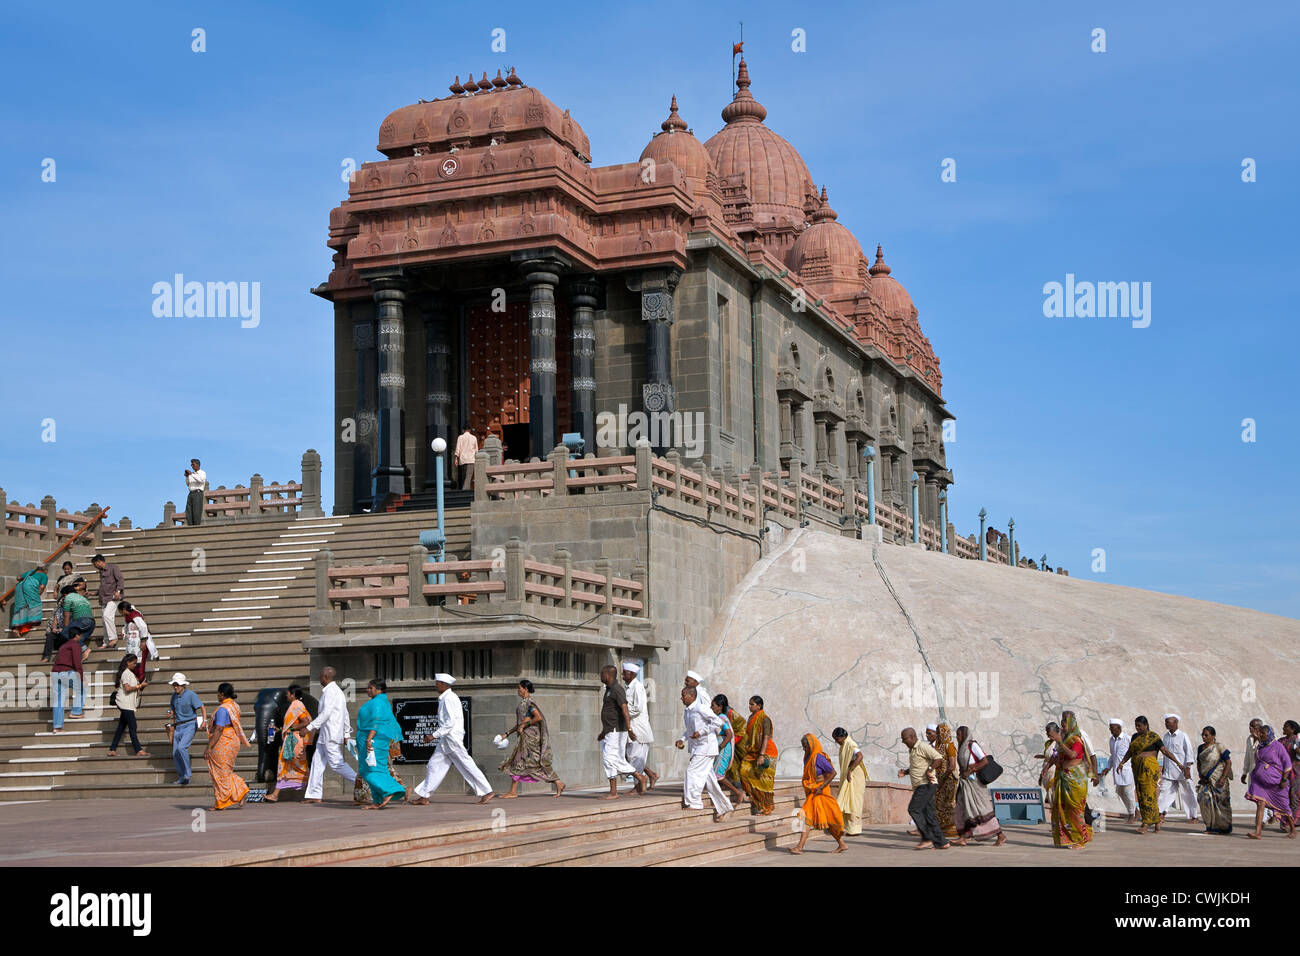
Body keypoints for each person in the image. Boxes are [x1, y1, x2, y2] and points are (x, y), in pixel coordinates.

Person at [410, 673, 495, 804]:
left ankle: (487, 791)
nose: (436, 685)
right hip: (446, 739)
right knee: (433, 765)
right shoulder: (447, 697)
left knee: (466, 764)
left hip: (451, 738)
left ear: (443, 684)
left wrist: (434, 735)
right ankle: (424, 796)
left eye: (437, 682)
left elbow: (450, 722)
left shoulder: (449, 698)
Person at [1117, 716, 1184, 833]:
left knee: (1149, 795)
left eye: (1139, 726)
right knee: (1141, 795)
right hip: (1137, 768)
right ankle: (1156, 821)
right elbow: (1130, 752)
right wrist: (1122, 763)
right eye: (1136, 725)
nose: (1137, 728)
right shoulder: (1135, 737)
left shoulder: (1154, 737)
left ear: (1146, 725)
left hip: (1149, 769)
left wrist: (1178, 763)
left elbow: (1165, 751)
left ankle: (1146, 823)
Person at [675, 686, 733, 820]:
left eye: (683, 695)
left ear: (691, 696)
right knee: (709, 779)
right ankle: (724, 807)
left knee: (691, 772)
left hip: (706, 747)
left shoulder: (701, 708)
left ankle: (695, 802)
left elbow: (717, 722)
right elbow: (689, 730)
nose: (681, 698)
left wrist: (701, 732)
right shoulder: (687, 711)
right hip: (697, 748)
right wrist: (682, 739)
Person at [499, 678, 564, 797]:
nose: (518, 690)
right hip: (524, 740)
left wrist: (525, 725)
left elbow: (538, 717)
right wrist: (507, 733)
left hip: (531, 740)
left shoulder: (530, 704)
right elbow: (519, 723)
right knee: (517, 763)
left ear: (526, 689)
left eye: (519, 688)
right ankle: (513, 791)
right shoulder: (523, 703)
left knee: (536, 764)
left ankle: (558, 782)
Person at [304, 666, 357, 802]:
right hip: (325, 734)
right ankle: (314, 795)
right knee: (317, 763)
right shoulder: (334, 691)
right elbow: (345, 713)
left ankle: (362, 783)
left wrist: (309, 727)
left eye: (321, 676)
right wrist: (346, 732)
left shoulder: (331, 692)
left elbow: (326, 713)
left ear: (326, 678)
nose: (319, 678)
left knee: (336, 764)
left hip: (331, 734)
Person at [791, 733, 848, 854]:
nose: (804, 749)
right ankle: (842, 844)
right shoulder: (808, 757)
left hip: (820, 792)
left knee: (806, 816)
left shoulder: (818, 757)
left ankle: (800, 847)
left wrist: (821, 787)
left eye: (805, 747)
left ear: (811, 745)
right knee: (823, 818)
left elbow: (833, 772)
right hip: (814, 791)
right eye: (803, 747)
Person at [595, 664, 645, 800]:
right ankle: (613, 791)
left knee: (610, 759)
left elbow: (624, 709)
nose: (600, 676)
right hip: (609, 730)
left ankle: (639, 776)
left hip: (617, 731)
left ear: (608, 675)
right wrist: (603, 732)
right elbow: (610, 711)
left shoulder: (617, 689)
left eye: (602, 674)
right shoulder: (609, 689)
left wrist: (629, 728)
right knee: (609, 760)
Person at [356, 679, 407, 808]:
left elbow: (377, 721)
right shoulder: (380, 701)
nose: (367, 690)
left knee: (368, 770)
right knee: (378, 768)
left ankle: (389, 790)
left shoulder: (378, 702)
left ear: (378, 689)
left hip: (373, 740)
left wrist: (369, 738)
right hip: (374, 739)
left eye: (370, 688)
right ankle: (377, 800)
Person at [898, 726, 949, 850]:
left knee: (914, 809)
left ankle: (926, 838)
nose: (904, 742)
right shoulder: (913, 750)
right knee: (929, 814)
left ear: (913, 737)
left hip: (926, 784)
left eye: (905, 739)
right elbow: (917, 766)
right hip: (921, 785)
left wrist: (930, 769)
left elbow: (938, 758)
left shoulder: (923, 747)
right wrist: (905, 772)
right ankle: (942, 842)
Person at [1047, 713, 1092, 849]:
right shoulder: (1065, 739)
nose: (1063, 728)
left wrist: (1060, 741)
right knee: (1062, 809)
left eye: (1064, 725)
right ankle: (1068, 838)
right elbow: (1058, 756)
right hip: (1062, 778)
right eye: (1061, 725)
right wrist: (1047, 768)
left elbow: (1073, 754)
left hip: (1075, 780)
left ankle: (1080, 840)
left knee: (1075, 810)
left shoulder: (1076, 739)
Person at [954, 725, 1005, 846]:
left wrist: (971, 770)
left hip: (975, 784)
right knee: (961, 809)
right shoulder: (961, 747)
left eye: (959, 734)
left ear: (965, 735)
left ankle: (1000, 834)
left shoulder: (972, 745)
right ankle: (963, 836)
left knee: (982, 810)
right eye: (957, 734)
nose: (957, 737)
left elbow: (985, 760)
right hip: (965, 784)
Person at [1244, 723, 1296, 839]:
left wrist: (1283, 780)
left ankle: (1293, 829)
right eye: (1260, 733)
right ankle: (1258, 832)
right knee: (1260, 803)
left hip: (1276, 784)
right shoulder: (1260, 747)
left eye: (1264, 733)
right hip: (1260, 782)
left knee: (1284, 807)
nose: (1261, 735)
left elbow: (1287, 764)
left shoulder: (1278, 747)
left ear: (1270, 734)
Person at [204, 683, 251, 810]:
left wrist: (209, 747)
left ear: (222, 694)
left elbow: (219, 729)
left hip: (223, 740)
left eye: (218, 693)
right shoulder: (234, 706)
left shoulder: (223, 709)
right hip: (233, 739)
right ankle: (240, 791)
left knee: (220, 772)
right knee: (224, 771)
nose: (217, 695)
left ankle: (223, 800)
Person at [264, 684, 312, 802]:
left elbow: (305, 722)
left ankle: (312, 790)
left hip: (293, 740)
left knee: (290, 766)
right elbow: (291, 725)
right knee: (290, 766)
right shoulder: (294, 705)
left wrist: (290, 729)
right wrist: (280, 729)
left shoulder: (297, 705)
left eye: (288, 693)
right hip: (291, 739)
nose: (286, 695)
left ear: (293, 694)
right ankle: (311, 790)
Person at [739, 695, 778, 815]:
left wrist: (761, 755)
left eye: (752, 704)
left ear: (759, 706)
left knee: (764, 782)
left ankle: (766, 807)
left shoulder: (764, 719)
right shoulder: (751, 717)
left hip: (767, 752)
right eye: (749, 704)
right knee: (743, 772)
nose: (749, 706)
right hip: (753, 752)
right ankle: (757, 801)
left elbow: (766, 737)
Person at [622, 662, 658, 791]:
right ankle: (650, 775)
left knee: (636, 757)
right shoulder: (628, 687)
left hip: (638, 729)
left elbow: (637, 708)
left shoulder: (638, 687)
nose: (622, 675)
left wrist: (623, 712)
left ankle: (638, 786)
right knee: (632, 756)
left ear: (632, 674)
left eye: (625, 672)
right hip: (631, 727)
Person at [165, 673, 205, 785]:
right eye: (174, 685)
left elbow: (201, 706)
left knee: (182, 748)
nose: (175, 687)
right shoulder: (173, 696)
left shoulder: (191, 695)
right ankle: (182, 776)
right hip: (178, 726)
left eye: (177, 685)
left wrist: (204, 721)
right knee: (175, 753)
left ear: (183, 685)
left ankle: (187, 774)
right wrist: (170, 713)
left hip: (190, 724)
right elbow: (172, 709)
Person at [1158, 714, 1198, 822]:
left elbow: (1189, 753)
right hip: (1169, 771)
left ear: (1175, 723)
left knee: (1188, 793)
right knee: (1165, 792)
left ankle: (1193, 816)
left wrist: (1188, 768)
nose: (1166, 724)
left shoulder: (1183, 736)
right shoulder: (1165, 737)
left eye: (1168, 722)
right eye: (1165, 722)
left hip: (1183, 771)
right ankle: (1161, 813)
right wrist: (1164, 767)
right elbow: (1165, 754)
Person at [107, 654, 149, 757]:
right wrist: (140, 685)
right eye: (134, 663)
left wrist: (140, 686)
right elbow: (127, 688)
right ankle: (138, 750)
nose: (135, 665)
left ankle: (112, 749)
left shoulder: (129, 673)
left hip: (127, 704)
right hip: (125, 704)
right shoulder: (126, 673)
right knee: (133, 726)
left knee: (121, 727)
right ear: (128, 662)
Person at [50, 629, 90, 733]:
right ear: (77, 635)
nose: (81, 637)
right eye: (80, 635)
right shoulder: (75, 645)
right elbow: (77, 662)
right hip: (66, 672)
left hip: (55, 673)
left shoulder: (64, 645)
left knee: (58, 700)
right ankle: (76, 711)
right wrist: (82, 678)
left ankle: (57, 727)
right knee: (83, 687)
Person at [1100, 718, 1137, 823]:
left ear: (1119, 728)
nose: (1111, 730)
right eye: (1110, 728)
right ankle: (1135, 811)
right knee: (1120, 792)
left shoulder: (1127, 739)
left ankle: (1131, 814)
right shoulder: (1111, 740)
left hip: (1128, 770)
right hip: (1117, 772)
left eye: (1113, 728)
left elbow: (1134, 753)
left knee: (1128, 792)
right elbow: (1112, 756)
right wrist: (1107, 767)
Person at [1196, 726, 1233, 834]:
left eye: (1206, 735)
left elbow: (1228, 762)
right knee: (1205, 802)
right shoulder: (1200, 748)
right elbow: (1199, 762)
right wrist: (1201, 775)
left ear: (1213, 736)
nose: (1203, 737)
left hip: (1218, 780)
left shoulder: (1219, 747)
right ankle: (1210, 827)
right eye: (1202, 735)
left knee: (1221, 804)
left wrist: (1223, 777)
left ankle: (1224, 827)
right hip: (1206, 780)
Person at [832, 727, 868, 836]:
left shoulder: (851, 744)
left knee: (853, 802)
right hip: (849, 774)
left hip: (855, 776)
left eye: (837, 739)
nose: (836, 741)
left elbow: (860, 756)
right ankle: (849, 828)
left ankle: (854, 829)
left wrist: (850, 770)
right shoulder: (844, 745)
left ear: (842, 737)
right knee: (846, 801)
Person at [713, 695, 747, 805]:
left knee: (718, 774)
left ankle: (738, 792)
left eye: (713, 706)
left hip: (724, 749)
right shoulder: (720, 717)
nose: (711, 708)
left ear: (720, 706)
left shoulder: (722, 718)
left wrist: (720, 747)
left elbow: (729, 734)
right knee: (714, 774)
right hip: (722, 748)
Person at [42, 562, 79, 661]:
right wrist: (55, 592)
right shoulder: (61, 578)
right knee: (50, 634)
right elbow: (56, 587)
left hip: (68, 631)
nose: (67, 571)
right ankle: (46, 657)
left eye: (68, 569)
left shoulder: (76, 577)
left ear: (71, 568)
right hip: (61, 600)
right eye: (65, 569)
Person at [934, 722, 960, 842]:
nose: (939, 734)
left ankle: (951, 828)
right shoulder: (938, 746)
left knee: (949, 803)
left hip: (949, 779)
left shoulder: (949, 746)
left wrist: (943, 777)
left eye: (941, 732)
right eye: (938, 732)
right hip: (940, 779)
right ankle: (942, 828)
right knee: (939, 803)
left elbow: (952, 765)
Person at [90, 554, 124, 648]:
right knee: (105, 621)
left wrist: (118, 591)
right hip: (104, 599)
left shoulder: (113, 567)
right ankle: (106, 641)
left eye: (95, 564)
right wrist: (94, 593)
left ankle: (113, 638)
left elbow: (120, 579)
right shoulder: (101, 572)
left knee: (107, 616)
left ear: (99, 562)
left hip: (114, 597)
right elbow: (103, 587)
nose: (95, 566)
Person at [7, 563, 47, 638]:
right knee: (36, 604)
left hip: (19, 588)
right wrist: (38, 595)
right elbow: (42, 587)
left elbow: (18, 578)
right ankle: (34, 624)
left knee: (21, 606)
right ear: (45, 570)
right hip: (30, 587)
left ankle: (16, 628)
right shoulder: (44, 575)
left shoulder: (31, 572)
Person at [119, 602, 157, 669]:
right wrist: (124, 633)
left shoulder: (135, 615)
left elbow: (143, 627)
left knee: (139, 664)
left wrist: (143, 641)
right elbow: (126, 626)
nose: (119, 612)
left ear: (124, 609)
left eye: (119, 610)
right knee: (131, 662)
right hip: (132, 644)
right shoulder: (128, 617)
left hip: (139, 643)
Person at [61, 579, 96, 649]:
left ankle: (85, 649)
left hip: (82, 620)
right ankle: (84, 652)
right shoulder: (83, 598)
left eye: (63, 596)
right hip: (92, 623)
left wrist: (66, 629)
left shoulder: (68, 597)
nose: (63, 598)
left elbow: (66, 617)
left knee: (65, 633)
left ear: (66, 594)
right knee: (79, 640)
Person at [1279, 720, 1300, 823]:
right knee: (1284, 795)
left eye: (1286, 726)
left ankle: (1294, 821)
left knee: (1294, 795)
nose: (1283, 728)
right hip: (1283, 772)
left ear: (1293, 729)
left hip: (1296, 772)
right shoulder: (1281, 741)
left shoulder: (1297, 740)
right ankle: (1286, 820)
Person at [185, 458, 208, 526]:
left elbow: (200, 480)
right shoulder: (192, 474)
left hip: (198, 493)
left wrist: (191, 474)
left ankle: (196, 526)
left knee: (196, 511)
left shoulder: (202, 473)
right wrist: (187, 477)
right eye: (191, 465)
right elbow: (188, 484)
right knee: (189, 511)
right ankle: (190, 526)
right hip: (191, 493)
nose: (192, 466)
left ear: (198, 465)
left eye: (193, 464)